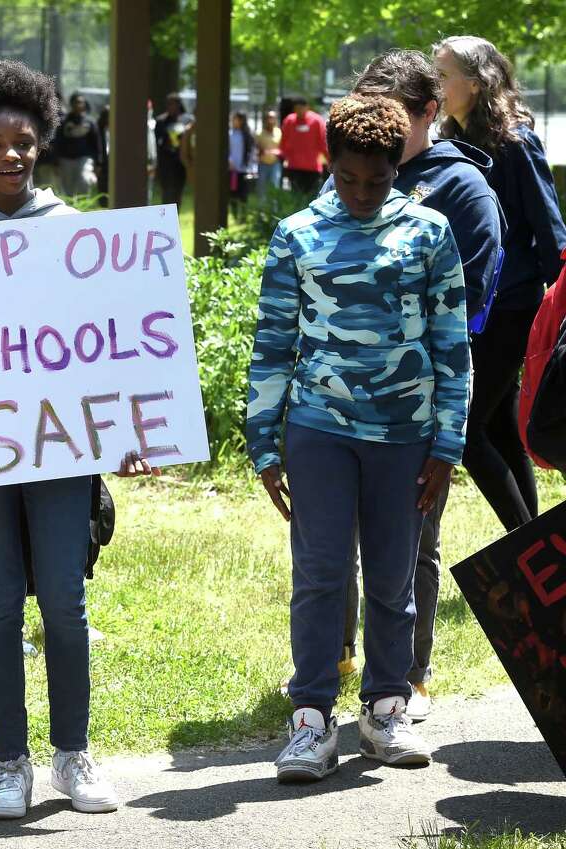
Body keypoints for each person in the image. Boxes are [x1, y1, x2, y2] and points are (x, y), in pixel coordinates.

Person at [0, 59, 160, 819]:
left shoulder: (71, 235)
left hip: (65, 450)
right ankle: (10, 764)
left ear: (41, 144)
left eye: (24, 142)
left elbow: (110, 347)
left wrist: (126, 429)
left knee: (64, 602)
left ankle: (73, 753)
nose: (11, 155)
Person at [247, 94, 469, 782]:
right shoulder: (297, 234)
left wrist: (448, 444)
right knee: (318, 572)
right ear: (329, 164)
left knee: (394, 575)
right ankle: (311, 719)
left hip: (404, 435)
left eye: (379, 178)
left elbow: (451, 343)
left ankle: (385, 708)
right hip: (319, 430)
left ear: (396, 166)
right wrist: (265, 440)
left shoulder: (430, 233)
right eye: (349, 178)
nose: (365, 192)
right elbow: (274, 340)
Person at [324, 49, 504, 722]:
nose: (373, 121)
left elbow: (474, 299)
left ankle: (411, 674)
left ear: (429, 113)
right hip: (337, 397)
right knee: (331, 535)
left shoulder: (462, 190)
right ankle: (337, 653)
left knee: (412, 541)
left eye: (392, 109)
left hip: (417, 399)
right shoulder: (350, 168)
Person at [435, 36, 566, 532]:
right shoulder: (450, 143)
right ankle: (532, 542)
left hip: (514, 306)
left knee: (467, 434)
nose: (437, 84)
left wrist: (560, 312)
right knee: (501, 428)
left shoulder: (516, 141)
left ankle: (525, 541)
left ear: (475, 81)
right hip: (475, 306)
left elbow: (550, 230)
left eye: (444, 74)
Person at [53, 92, 102, 197]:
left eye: (80, 102)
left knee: (84, 179)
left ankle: (84, 204)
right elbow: (58, 142)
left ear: (84, 104)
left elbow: (97, 143)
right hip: (66, 159)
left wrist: (98, 163)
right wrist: (55, 162)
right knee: (68, 188)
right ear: (71, 104)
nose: (78, 105)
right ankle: (71, 208)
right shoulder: (64, 122)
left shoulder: (90, 122)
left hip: (84, 158)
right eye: (76, 102)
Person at [279, 96, 327, 197]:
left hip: (312, 168)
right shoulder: (289, 121)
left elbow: (322, 142)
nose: (299, 111)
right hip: (294, 167)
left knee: (311, 197)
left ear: (307, 107)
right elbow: (283, 142)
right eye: (296, 109)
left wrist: (329, 159)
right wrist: (283, 157)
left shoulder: (316, 121)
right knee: (295, 197)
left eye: (301, 108)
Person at [153, 93, 190, 204]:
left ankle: (176, 216)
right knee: (166, 194)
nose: (171, 107)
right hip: (166, 164)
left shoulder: (187, 120)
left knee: (178, 193)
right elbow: (157, 143)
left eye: (173, 104)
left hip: (180, 163)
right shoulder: (160, 121)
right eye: (169, 104)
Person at [229, 111, 254, 204]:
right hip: (232, 169)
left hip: (244, 169)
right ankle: (234, 213)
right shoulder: (230, 134)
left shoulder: (248, 135)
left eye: (235, 119)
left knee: (244, 194)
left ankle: (243, 215)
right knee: (232, 194)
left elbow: (251, 152)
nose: (233, 121)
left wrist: (251, 167)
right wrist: (229, 161)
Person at [255, 109, 283, 193]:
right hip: (262, 164)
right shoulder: (259, 133)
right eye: (268, 118)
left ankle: (273, 206)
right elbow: (255, 148)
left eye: (272, 118)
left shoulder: (279, 132)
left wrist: (278, 152)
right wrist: (261, 151)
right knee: (262, 188)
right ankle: (261, 206)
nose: (270, 120)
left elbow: (283, 148)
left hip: (275, 164)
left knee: (275, 187)